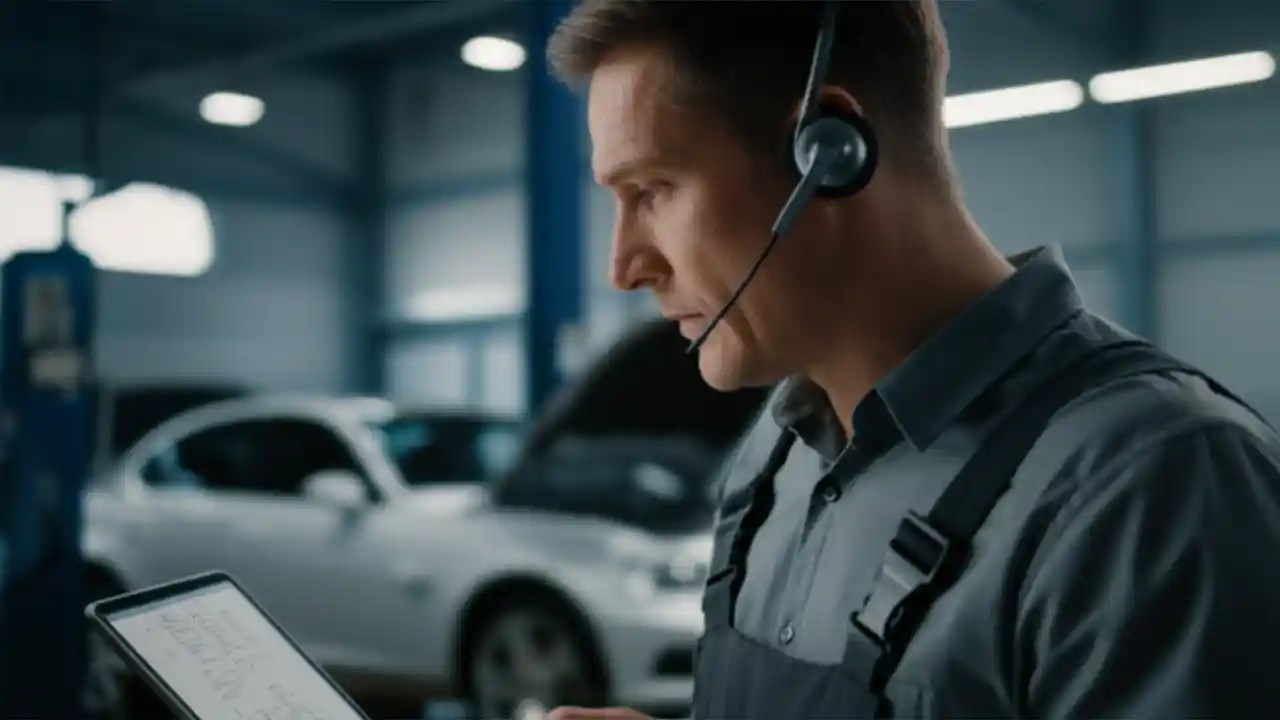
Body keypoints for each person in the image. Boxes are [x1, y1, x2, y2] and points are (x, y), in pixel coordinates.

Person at [544, 1, 1280, 718]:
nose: (625, 266)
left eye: (653, 190)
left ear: (827, 152)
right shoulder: (775, 457)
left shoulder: (1152, 489)